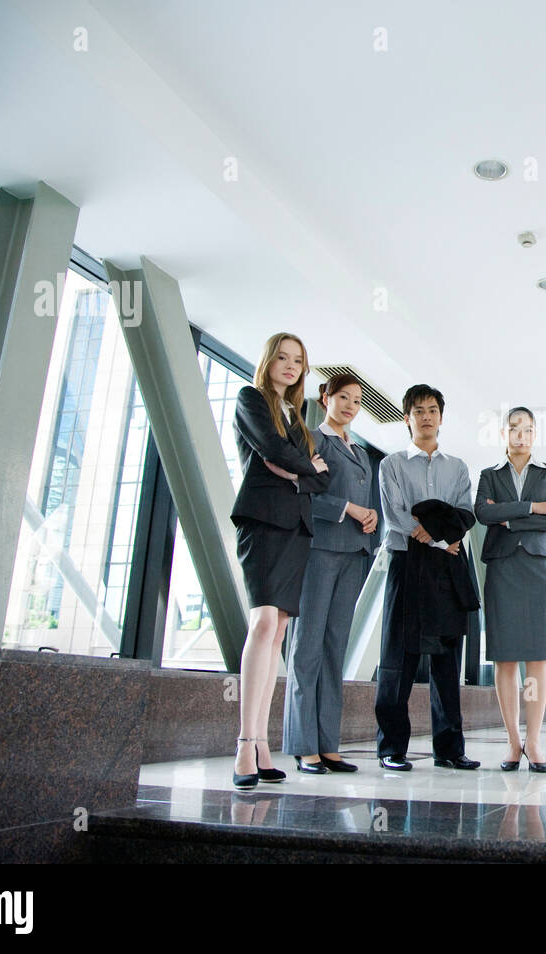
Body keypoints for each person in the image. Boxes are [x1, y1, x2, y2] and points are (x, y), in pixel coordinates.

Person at [229, 332, 330, 790]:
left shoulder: (300, 418)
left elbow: (318, 480)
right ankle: (245, 742)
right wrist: (299, 467)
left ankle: (262, 744)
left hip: (296, 529)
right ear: (268, 360)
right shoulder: (252, 399)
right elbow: (272, 451)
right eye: (284, 358)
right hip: (264, 521)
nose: (291, 366)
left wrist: (296, 469)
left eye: (299, 361)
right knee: (264, 623)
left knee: (278, 633)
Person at [373, 384, 481, 771]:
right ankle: (391, 749)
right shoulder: (392, 465)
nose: (426, 416)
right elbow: (396, 515)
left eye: (432, 410)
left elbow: (464, 513)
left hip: (447, 569)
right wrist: (438, 536)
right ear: (407, 417)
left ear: (441, 416)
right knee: (399, 658)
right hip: (407, 563)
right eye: (418, 410)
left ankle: (450, 750)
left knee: (447, 663)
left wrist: (435, 530)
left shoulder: (458, 467)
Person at [280, 372, 379, 775]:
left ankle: (328, 743)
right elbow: (304, 493)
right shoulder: (312, 439)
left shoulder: (358, 450)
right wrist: (349, 510)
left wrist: (370, 515)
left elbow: (361, 497)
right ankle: (304, 746)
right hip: (321, 550)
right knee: (308, 647)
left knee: (335, 647)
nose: (350, 405)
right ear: (326, 398)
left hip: (354, 553)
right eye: (343, 397)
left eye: (357, 400)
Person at [474, 407, 546, 773]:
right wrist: (532, 508)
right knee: (506, 657)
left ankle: (535, 740)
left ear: (535, 434)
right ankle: (513, 741)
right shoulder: (489, 475)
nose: (521, 435)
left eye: (528, 429)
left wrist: (507, 515)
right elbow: (483, 513)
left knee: (537, 657)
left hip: (539, 568)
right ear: (504, 433)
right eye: (515, 429)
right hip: (503, 568)